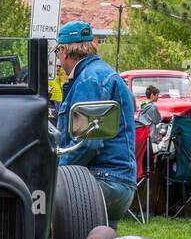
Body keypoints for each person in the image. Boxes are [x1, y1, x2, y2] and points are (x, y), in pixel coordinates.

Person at [54, 20, 136, 228]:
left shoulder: (88, 80)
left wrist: (58, 173)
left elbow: (87, 143)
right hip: (116, 179)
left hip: (102, 180)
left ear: (64, 51)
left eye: (56, 51)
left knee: (37, 201)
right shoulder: (99, 74)